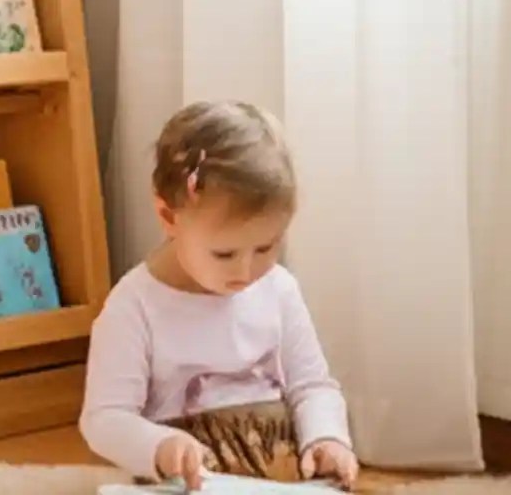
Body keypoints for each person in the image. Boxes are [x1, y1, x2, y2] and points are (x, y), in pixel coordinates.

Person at [80, 101, 359, 491]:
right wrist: (161, 446)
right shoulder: (134, 306)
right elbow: (104, 418)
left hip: (279, 479)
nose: (246, 272)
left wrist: (326, 438)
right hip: (190, 483)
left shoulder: (279, 289)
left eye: (266, 247)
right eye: (224, 254)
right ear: (168, 217)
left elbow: (312, 386)